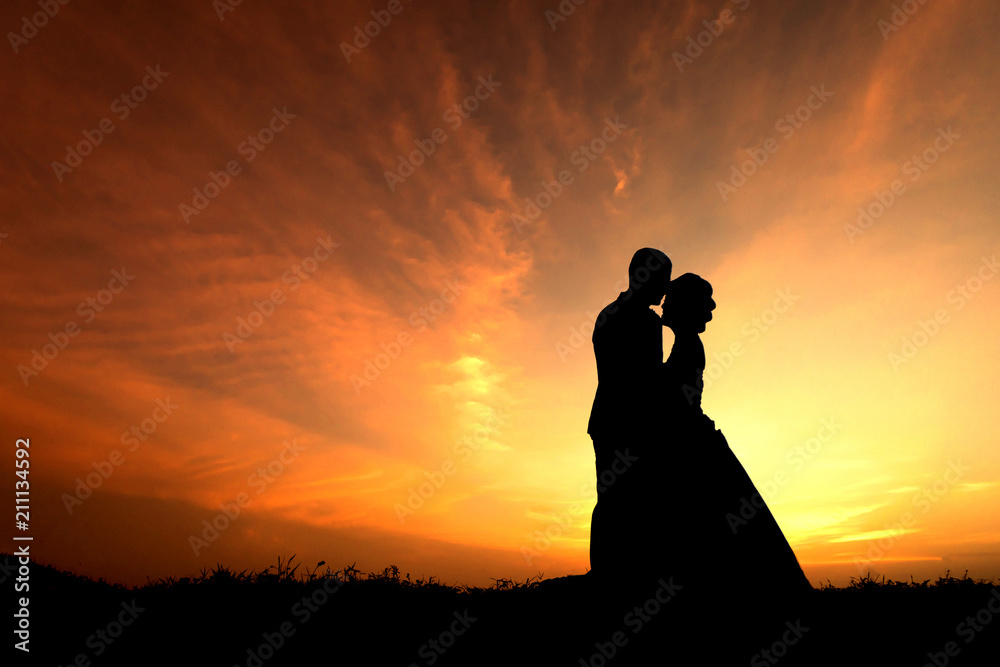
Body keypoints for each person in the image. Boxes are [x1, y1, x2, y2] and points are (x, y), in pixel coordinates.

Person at [655, 273, 812, 595]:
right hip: (692, 438)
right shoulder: (686, 342)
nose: (711, 312)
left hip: (690, 440)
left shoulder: (688, 344)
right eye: (706, 304)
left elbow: (675, 398)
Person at [587, 248, 671, 580]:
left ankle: (610, 574)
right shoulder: (644, 322)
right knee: (626, 500)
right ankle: (616, 576)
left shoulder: (608, 313)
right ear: (642, 275)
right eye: (661, 280)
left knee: (613, 498)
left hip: (609, 420)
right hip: (628, 422)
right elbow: (650, 377)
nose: (664, 291)